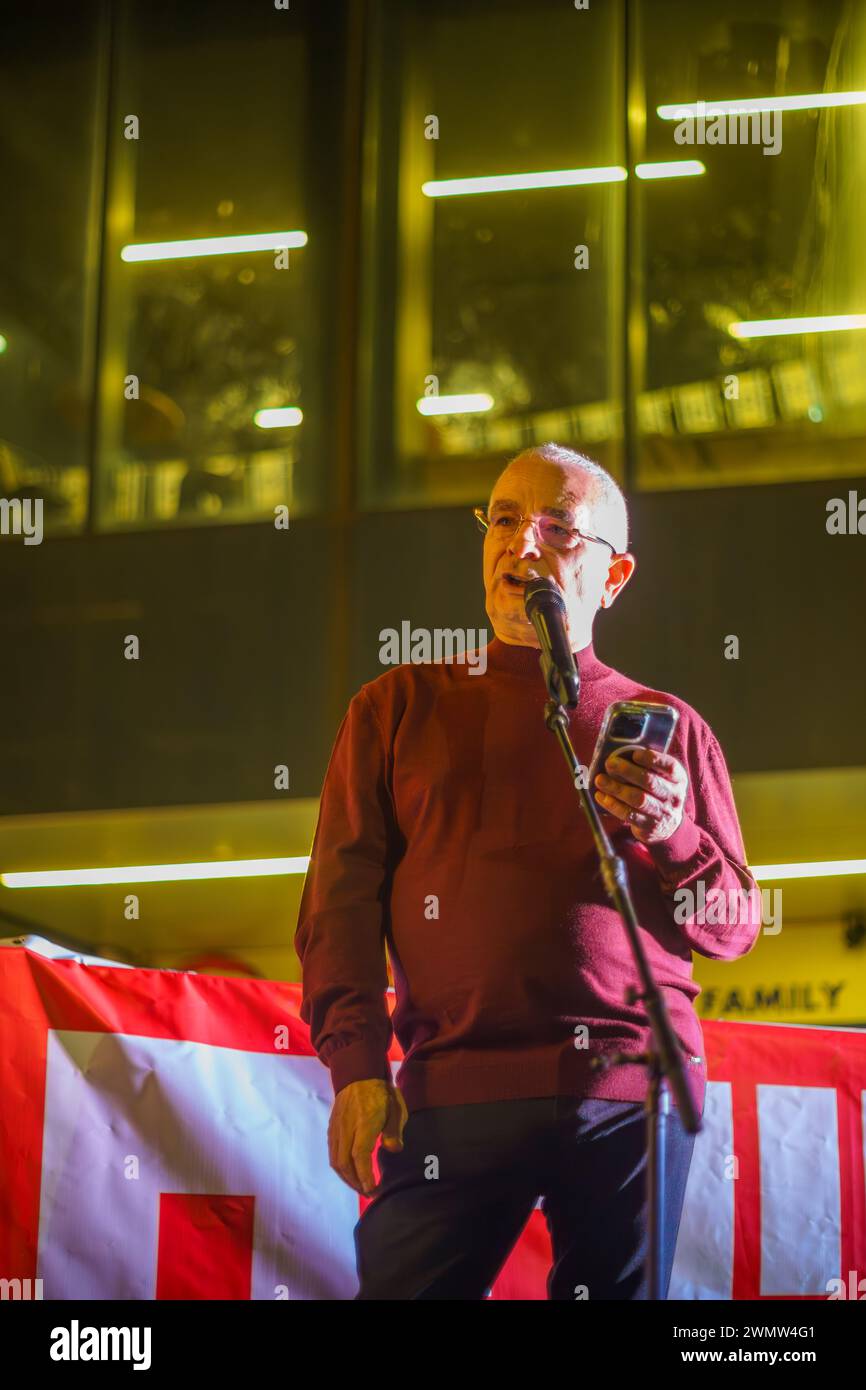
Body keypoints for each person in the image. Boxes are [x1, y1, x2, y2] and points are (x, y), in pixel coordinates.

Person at [295, 442, 760, 1299]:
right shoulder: (395, 708)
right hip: (451, 1090)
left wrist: (676, 834)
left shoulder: (668, 726)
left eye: (557, 528)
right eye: (503, 519)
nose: (523, 544)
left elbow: (732, 929)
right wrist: (357, 1067)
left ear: (613, 576)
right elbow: (340, 905)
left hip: (630, 1087)